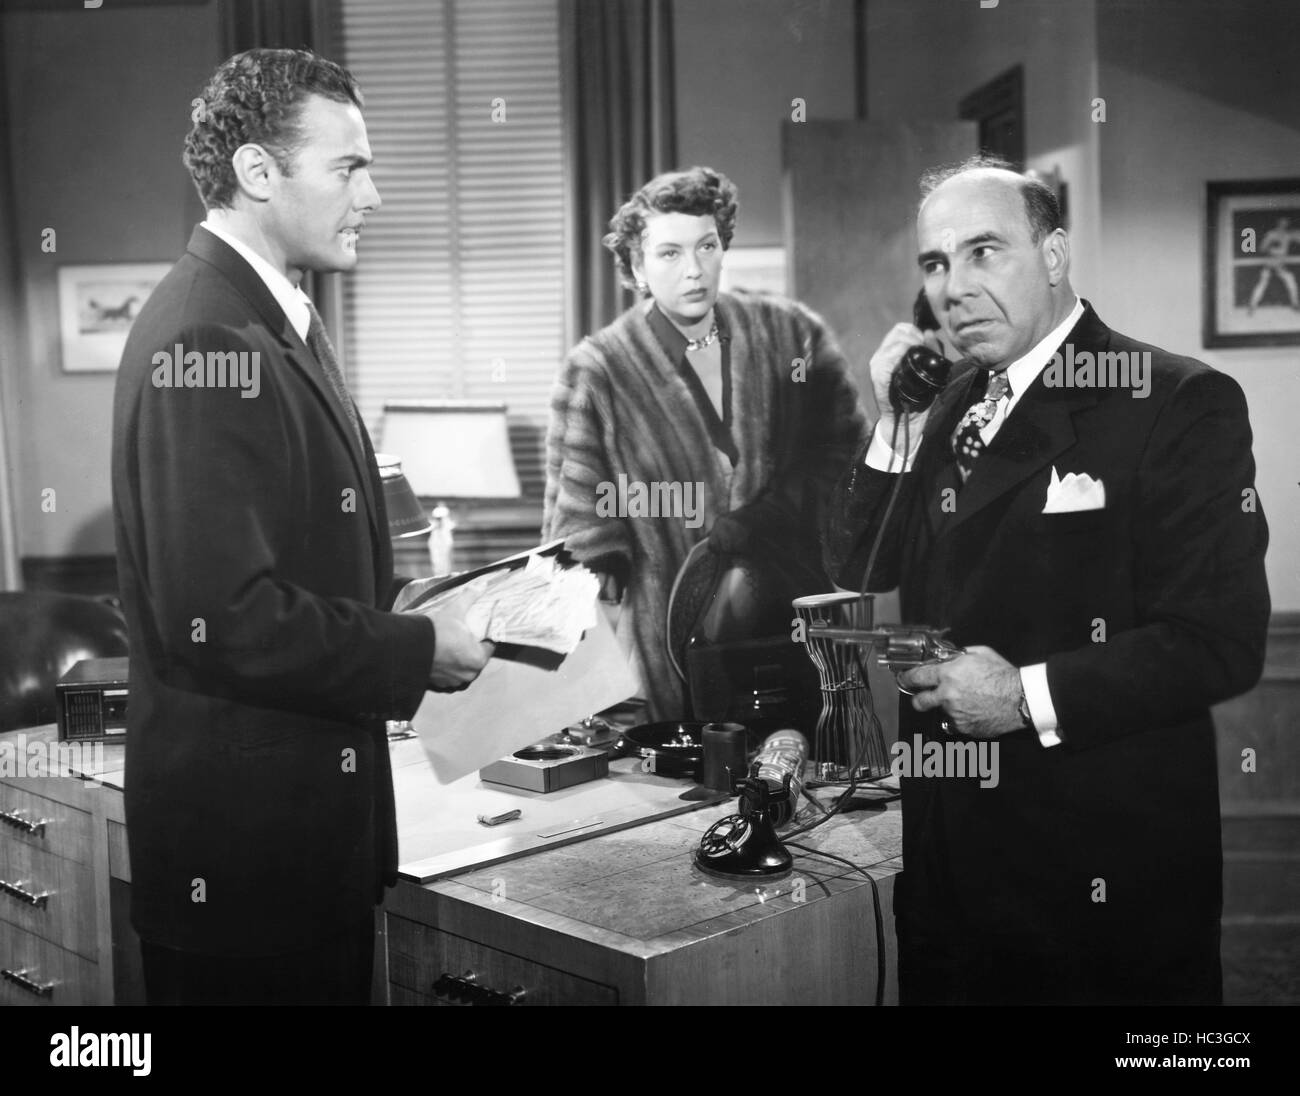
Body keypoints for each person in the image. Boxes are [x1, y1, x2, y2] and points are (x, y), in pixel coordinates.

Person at [822, 156, 1270, 1005]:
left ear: (1055, 255)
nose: (954, 286)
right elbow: (859, 568)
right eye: (936, 262)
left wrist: (1023, 696)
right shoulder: (947, 405)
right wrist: (895, 424)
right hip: (953, 853)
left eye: (985, 251)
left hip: (1097, 864)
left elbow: (1221, 643)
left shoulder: (1177, 400)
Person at [111, 49, 492, 1005]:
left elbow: (290, 562)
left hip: (296, 851)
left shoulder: (273, 319)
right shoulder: (207, 337)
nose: (374, 192)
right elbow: (225, 616)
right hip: (248, 872)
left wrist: (417, 609)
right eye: (349, 167)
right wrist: (415, 651)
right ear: (256, 172)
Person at [543, 167, 865, 720]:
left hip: (797, 630)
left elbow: (850, 463)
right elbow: (581, 542)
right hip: (671, 649)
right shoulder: (597, 371)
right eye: (669, 254)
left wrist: (765, 517)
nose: (694, 271)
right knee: (696, 793)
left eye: (707, 246)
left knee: (808, 781)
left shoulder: (790, 334)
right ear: (636, 267)